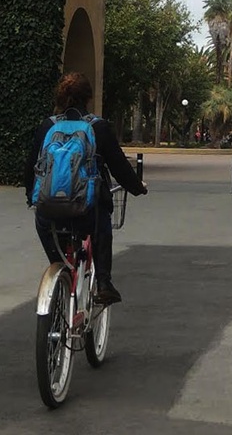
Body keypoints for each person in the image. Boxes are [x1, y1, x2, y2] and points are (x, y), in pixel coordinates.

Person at [24, 72, 147, 306]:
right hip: (87, 213)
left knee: (45, 227)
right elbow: (119, 167)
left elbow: (31, 166)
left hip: (49, 211)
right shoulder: (98, 127)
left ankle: (59, 270)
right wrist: (138, 187)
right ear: (88, 98)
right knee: (102, 224)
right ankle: (103, 283)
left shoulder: (47, 126)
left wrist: (32, 197)